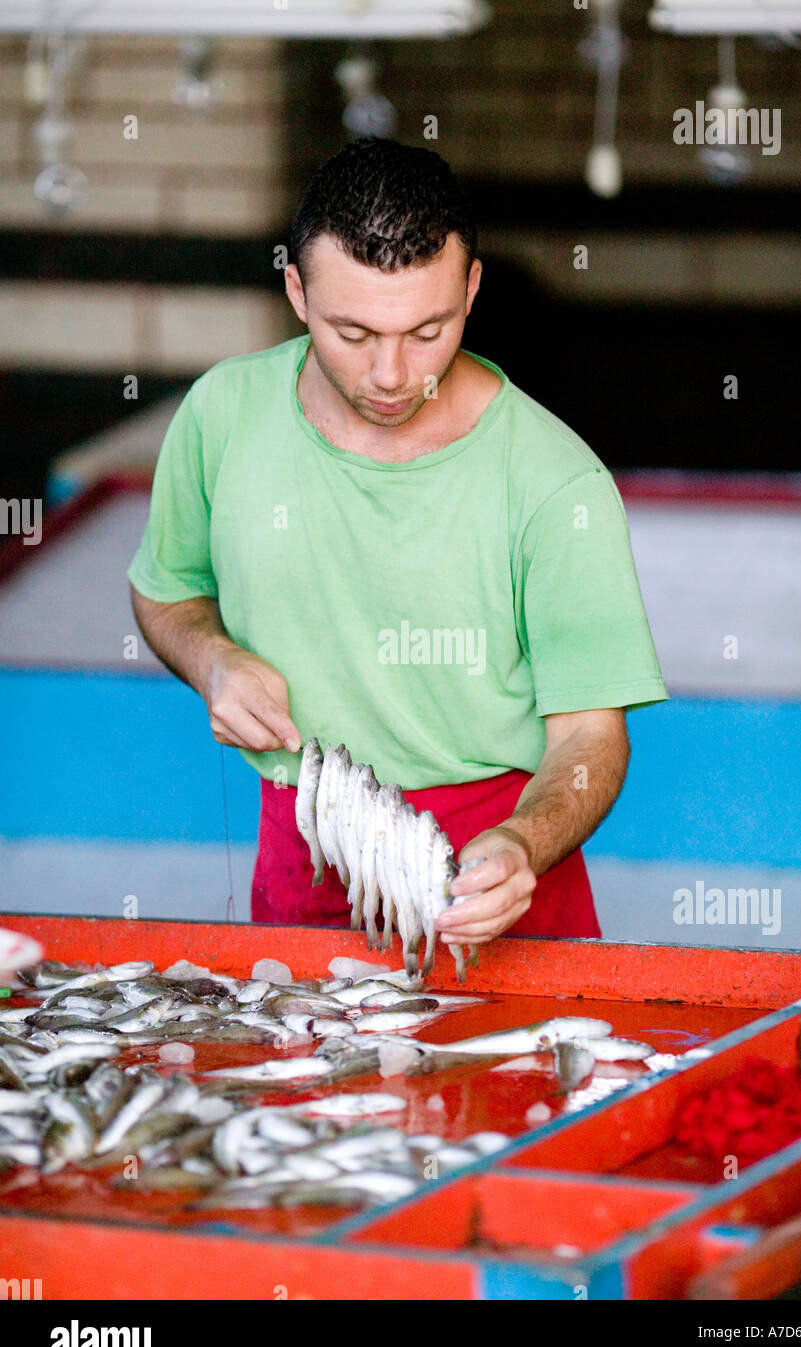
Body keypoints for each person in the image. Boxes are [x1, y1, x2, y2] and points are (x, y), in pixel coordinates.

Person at [128, 136, 667, 954]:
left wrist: (524, 845)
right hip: (303, 836)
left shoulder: (557, 483)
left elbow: (591, 736)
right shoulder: (221, 415)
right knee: (306, 1078)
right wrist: (210, 660)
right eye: (353, 332)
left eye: (428, 330)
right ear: (296, 291)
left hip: (498, 858)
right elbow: (166, 591)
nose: (391, 374)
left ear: (471, 289)